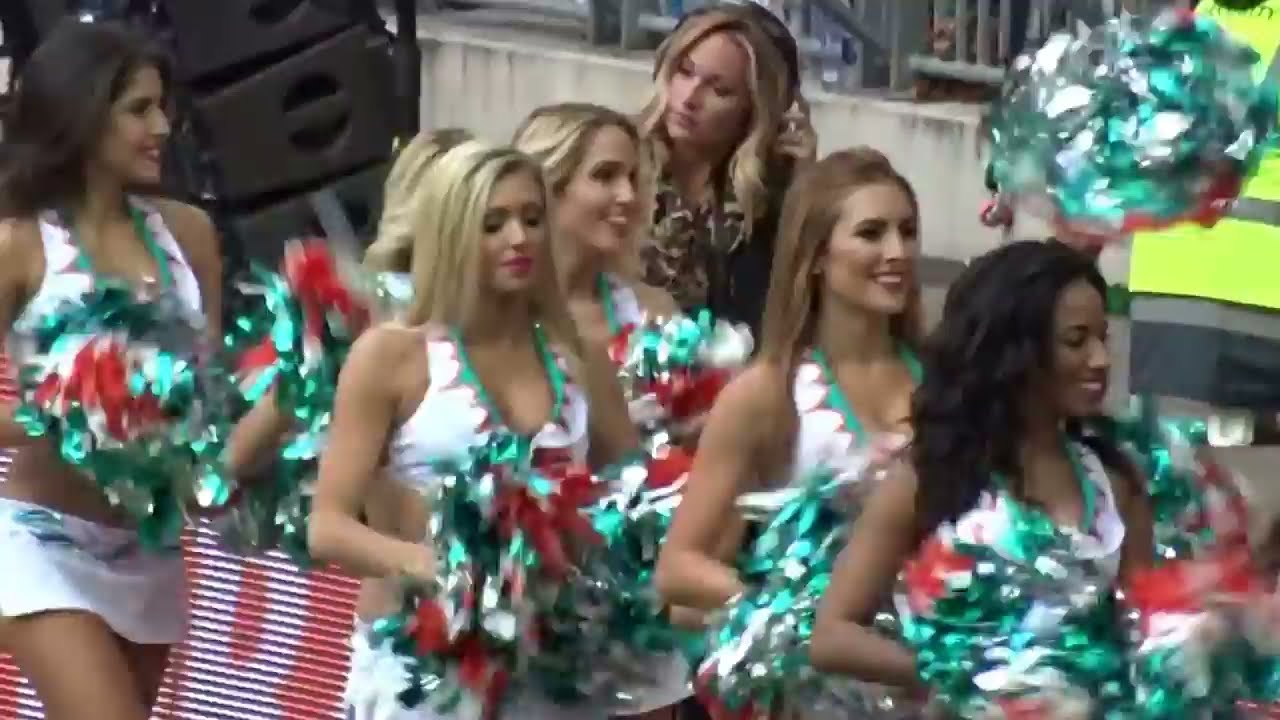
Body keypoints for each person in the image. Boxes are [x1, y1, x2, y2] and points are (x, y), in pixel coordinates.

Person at [309, 139, 635, 720]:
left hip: (549, 669)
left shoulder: (580, 356)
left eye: (532, 219)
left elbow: (630, 499)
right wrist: (435, 567)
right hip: (420, 669)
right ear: (453, 232)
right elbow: (328, 526)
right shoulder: (392, 354)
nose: (520, 238)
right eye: (494, 223)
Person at [810, 240, 1153, 713]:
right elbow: (832, 635)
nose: (1100, 360)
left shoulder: (1114, 482)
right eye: (1076, 340)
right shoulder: (929, 476)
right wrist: (974, 678)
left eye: (1103, 338)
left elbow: (1145, 638)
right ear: (1014, 351)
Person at [0, 21, 223, 720]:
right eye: (138, 110)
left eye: (163, 106)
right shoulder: (19, 241)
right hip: (42, 536)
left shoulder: (190, 234)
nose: (162, 126)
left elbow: (206, 394)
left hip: (148, 545)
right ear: (83, 114)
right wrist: (72, 424)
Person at [655, 148, 923, 718]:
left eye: (907, 231)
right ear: (818, 255)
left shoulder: (945, 381)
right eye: (871, 234)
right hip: (812, 697)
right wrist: (789, 615)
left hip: (924, 690)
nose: (896, 252)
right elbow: (680, 565)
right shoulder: (767, 393)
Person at [513, 102, 689, 720]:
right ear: (549, 184)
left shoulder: (658, 315)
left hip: (630, 619)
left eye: (636, 179)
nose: (629, 196)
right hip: (521, 619)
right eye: (606, 176)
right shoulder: (496, 319)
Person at [638, 6, 815, 336]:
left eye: (719, 90)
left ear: (757, 108)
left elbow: (792, 313)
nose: (690, 98)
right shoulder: (621, 168)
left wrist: (804, 191)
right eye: (685, 72)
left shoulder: (765, 200)